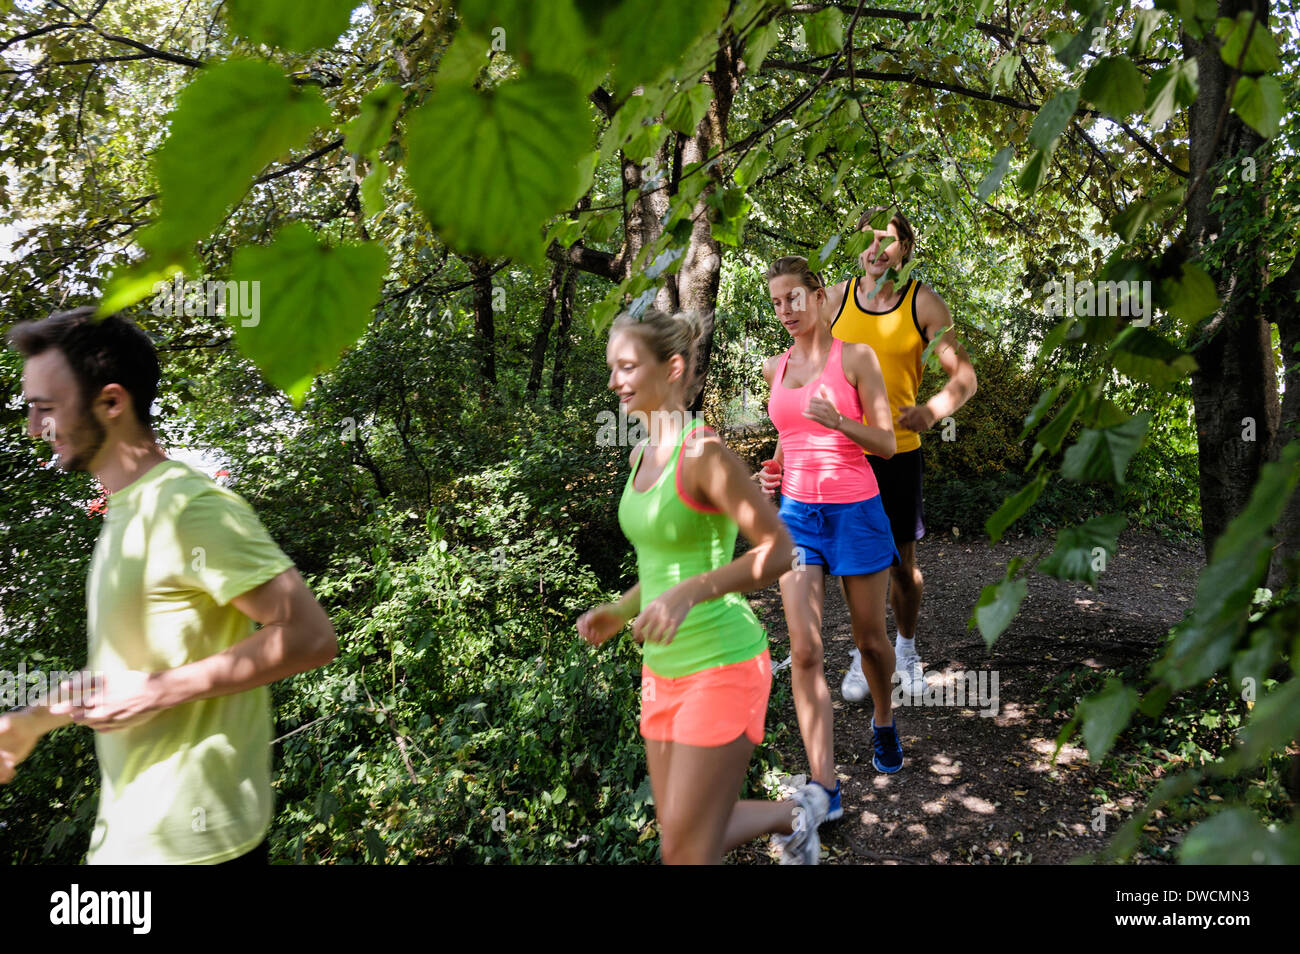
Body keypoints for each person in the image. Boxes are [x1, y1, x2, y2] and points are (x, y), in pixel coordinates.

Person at [0, 306, 338, 864]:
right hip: (128, 842)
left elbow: (308, 635)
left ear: (111, 402)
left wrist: (159, 690)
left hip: (195, 849)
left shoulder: (189, 507)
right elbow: (120, 674)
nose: (35, 427)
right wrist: (31, 722)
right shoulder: (128, 513)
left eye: (47, 409)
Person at [577, 308, 828, 865]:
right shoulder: (642, 452)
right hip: (661, 671)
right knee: (678, 835)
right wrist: (621, 610)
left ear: (671, 368)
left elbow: (779, 550)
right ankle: (795, 815)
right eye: (611, 368)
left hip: (722, 662)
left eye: (626, 366)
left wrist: (693, 592)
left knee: (687, 853)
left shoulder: (703, 453)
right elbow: (663, 567)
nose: (614, 380)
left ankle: (799, 815)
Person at [762, 208, 977, 700]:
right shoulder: (832, 298)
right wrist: (783, 456)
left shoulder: (922, 303)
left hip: (895, 452)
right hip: (837, 456)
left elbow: (964, 377)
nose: (877, 248)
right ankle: (865, 649)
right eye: (869, 239)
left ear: (905, 249)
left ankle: (905, 649)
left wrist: (933, 409)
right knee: (853, 564)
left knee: (902, 565)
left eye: (889, 240)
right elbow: (798, 375)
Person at [760, 256, 903, 834]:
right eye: (775, 302)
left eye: (794, 298)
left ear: (820, 297)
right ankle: (825, 782)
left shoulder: (857, 358)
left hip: (857, 512)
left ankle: (885, 718)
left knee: (870, 641)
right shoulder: (777, 365)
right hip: (797, 516)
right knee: (807, 650)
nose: (785, 311)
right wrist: (771, 470)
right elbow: (787, 437)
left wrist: (841, 422)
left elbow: (889, 444)